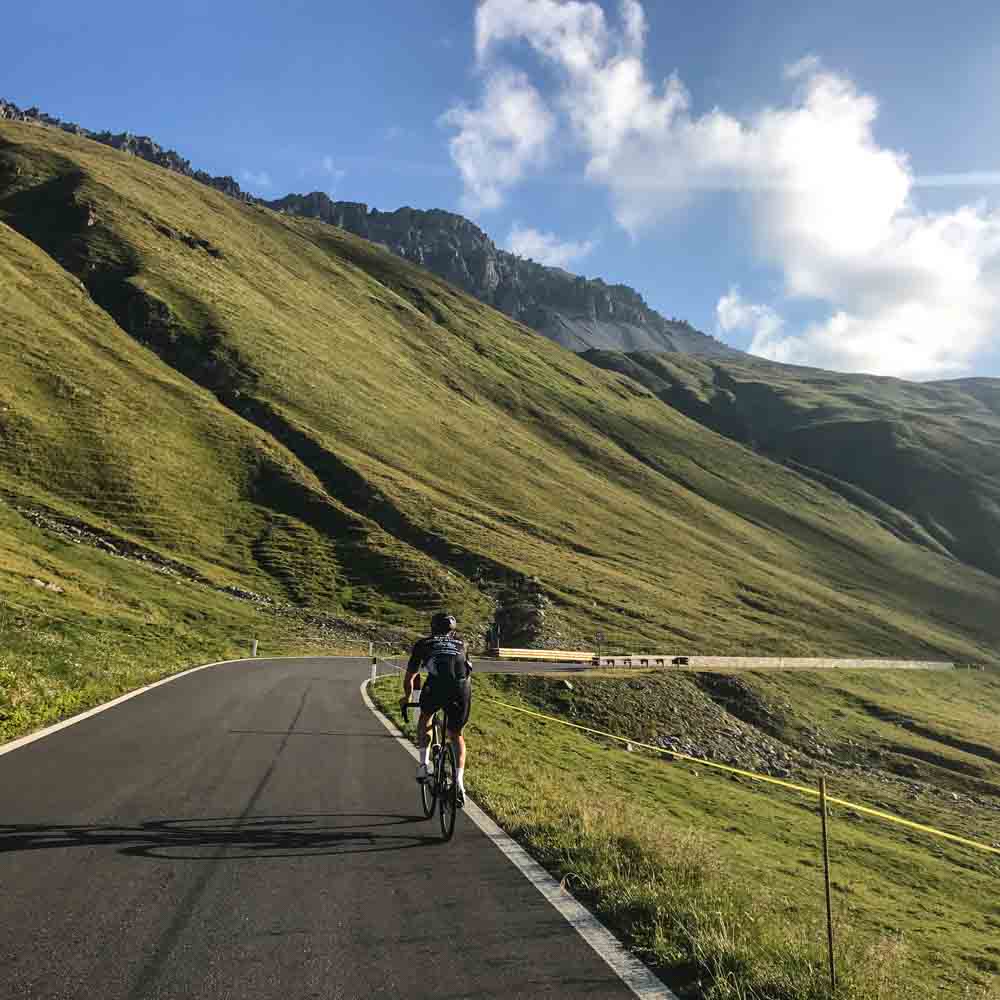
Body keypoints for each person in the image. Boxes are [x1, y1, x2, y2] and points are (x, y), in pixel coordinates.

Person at [400, 612, 472, 806]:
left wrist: (406, 698)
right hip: (461, 688)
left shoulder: (423, 644)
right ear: (453, 630)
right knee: (456, 735)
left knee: (425, 717)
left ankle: (423, 765)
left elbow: (411, 678)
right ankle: (458, 782)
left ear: (432, 628)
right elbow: (466, 668)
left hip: (436, 686)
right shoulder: (462, 644)